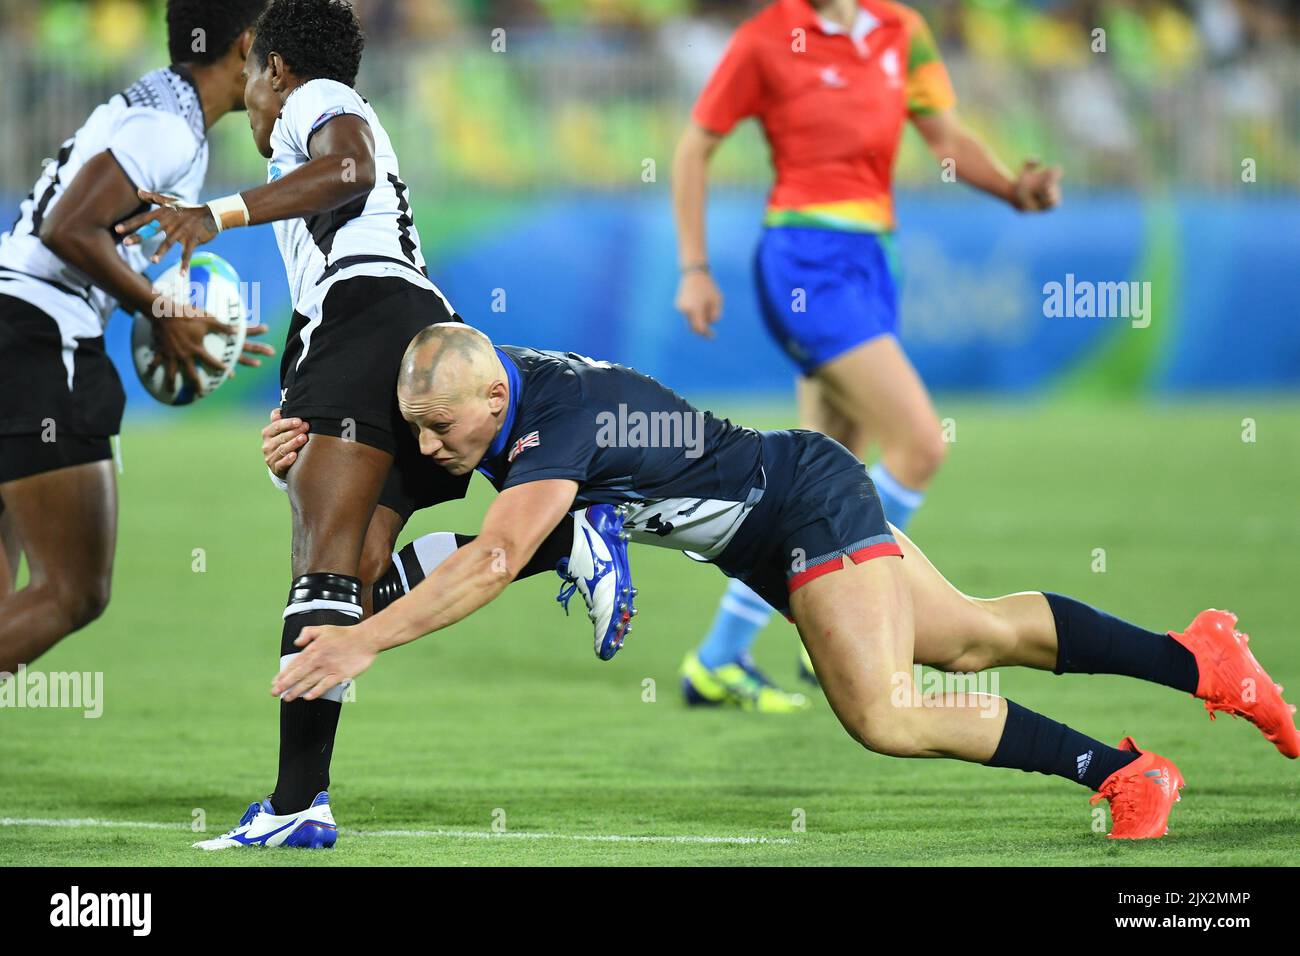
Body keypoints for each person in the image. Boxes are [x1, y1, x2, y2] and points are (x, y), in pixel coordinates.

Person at [256, 323, 1296, 846]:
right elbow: (467, 523)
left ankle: (1118, 773)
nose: (434, 447)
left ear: (493, 393)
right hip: (780, 510)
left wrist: (362, 641)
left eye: (445, 428)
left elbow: (492, 555)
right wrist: (299, 450)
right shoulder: (499, 403)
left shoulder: (556, 417)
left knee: (885, 712)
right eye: (425, 430)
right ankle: (1199, 657)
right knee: (971, 636)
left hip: (799, 506)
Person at [118, 0, 632, 839]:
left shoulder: (316, 100)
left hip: (370, 322)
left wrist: (215, 213)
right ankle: (558, 542)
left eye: (252, 76)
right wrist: (295, 401)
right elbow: (333, 274)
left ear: (275, 69)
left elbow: (349, 175)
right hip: (403, 329)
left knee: (318, 565)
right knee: (353, 577)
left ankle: (295, 806)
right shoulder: (319, 143)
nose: (246, 96)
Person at [671, 0, 1062, 709]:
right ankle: (845, 614)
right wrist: (695, 268)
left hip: (875, 256)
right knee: (920, 444)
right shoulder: (767, 37)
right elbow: (694, 146)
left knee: (819, 473)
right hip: (805, 260)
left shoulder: (900, 29)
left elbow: (943, 135)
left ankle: (717, 661)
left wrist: (1010, 187)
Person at [0, 0, 274, 674]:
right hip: (40, 339)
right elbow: (68, 228)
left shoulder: (155, 105)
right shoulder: (169, 129)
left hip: (15, 317)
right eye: (276, 50)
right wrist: (158, 309)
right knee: (73, 591)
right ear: (245, 47)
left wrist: (189, 320)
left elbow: (82, 230)